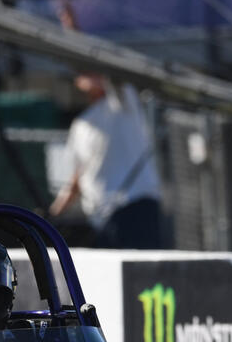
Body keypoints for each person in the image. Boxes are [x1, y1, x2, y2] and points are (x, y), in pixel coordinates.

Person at [48, 71, 164, 249]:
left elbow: (117, 74)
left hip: (137, 206)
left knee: (145, 273)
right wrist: (52, 214)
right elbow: (76, 178)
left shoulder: (123, 103)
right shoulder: (81, 125)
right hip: (103, 217)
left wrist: (99, 71)